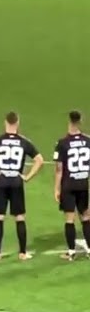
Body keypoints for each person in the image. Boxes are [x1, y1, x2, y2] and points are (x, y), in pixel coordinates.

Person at [0, 112, 43, 261]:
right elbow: (39, 160)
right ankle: (23, 253)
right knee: (19, 217)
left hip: (1, 181)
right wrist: (27, 177)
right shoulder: (24, 142)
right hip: (16, 182)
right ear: (17, 123)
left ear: (5, 123)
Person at [52, 110, 90, 260]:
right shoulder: (88, 141)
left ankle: (71, 252)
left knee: (70, 219)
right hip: (83, 184)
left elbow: (59, 169)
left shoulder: (62, 143)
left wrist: (56, 189)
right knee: (86, 217)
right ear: (81, 121)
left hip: (68, 185)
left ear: (69, 121)